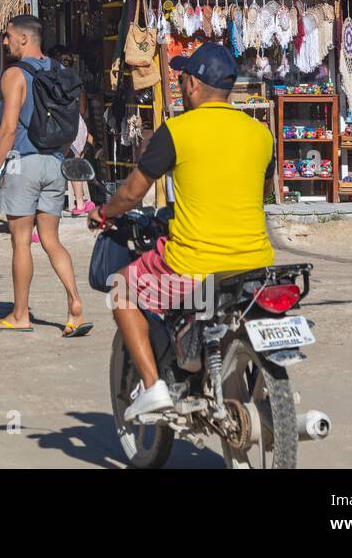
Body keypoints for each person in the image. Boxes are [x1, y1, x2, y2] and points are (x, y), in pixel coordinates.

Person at [88, 43, 274, 420]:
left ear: (190, 84)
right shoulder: (260, 133)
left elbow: (131, 193)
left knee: (122, 287)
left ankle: (154, 387)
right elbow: (263, 192)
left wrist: (102, 213)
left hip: (194, 265)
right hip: (257, 264)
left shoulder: (177, 131)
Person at [0, 16, 91, 337]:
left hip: (24, 161)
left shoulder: (14, 74)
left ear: (23, 38)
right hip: (54, 162)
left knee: (21, 242)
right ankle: (75, 303)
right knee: (51, 240)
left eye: (7, 37)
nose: (4, 43)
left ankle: (20, 314)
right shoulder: (58, 70)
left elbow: (7, 128)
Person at [48, 45, 96, 218]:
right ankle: (83, 201)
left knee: (67, 163)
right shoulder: (78, 82)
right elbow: (83, 110)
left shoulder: (52, 81)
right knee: (77, 161)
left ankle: (79, 203)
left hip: (64, 123)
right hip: (78, 123)